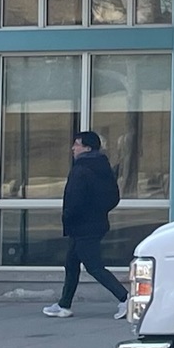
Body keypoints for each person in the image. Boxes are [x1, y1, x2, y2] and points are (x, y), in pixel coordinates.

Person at [42, 131, 129, 320]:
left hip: (83, 226)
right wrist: (98, 211)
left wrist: (69, 216)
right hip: (93, 224)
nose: (73, 148)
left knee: (93, 266)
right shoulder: (103, 168)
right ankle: (64, 305)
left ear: (87, 148)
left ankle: (125, 298)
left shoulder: (81, 170)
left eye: (77, 144)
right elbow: (113, 197)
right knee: (72, 264)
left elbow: (74, 199)